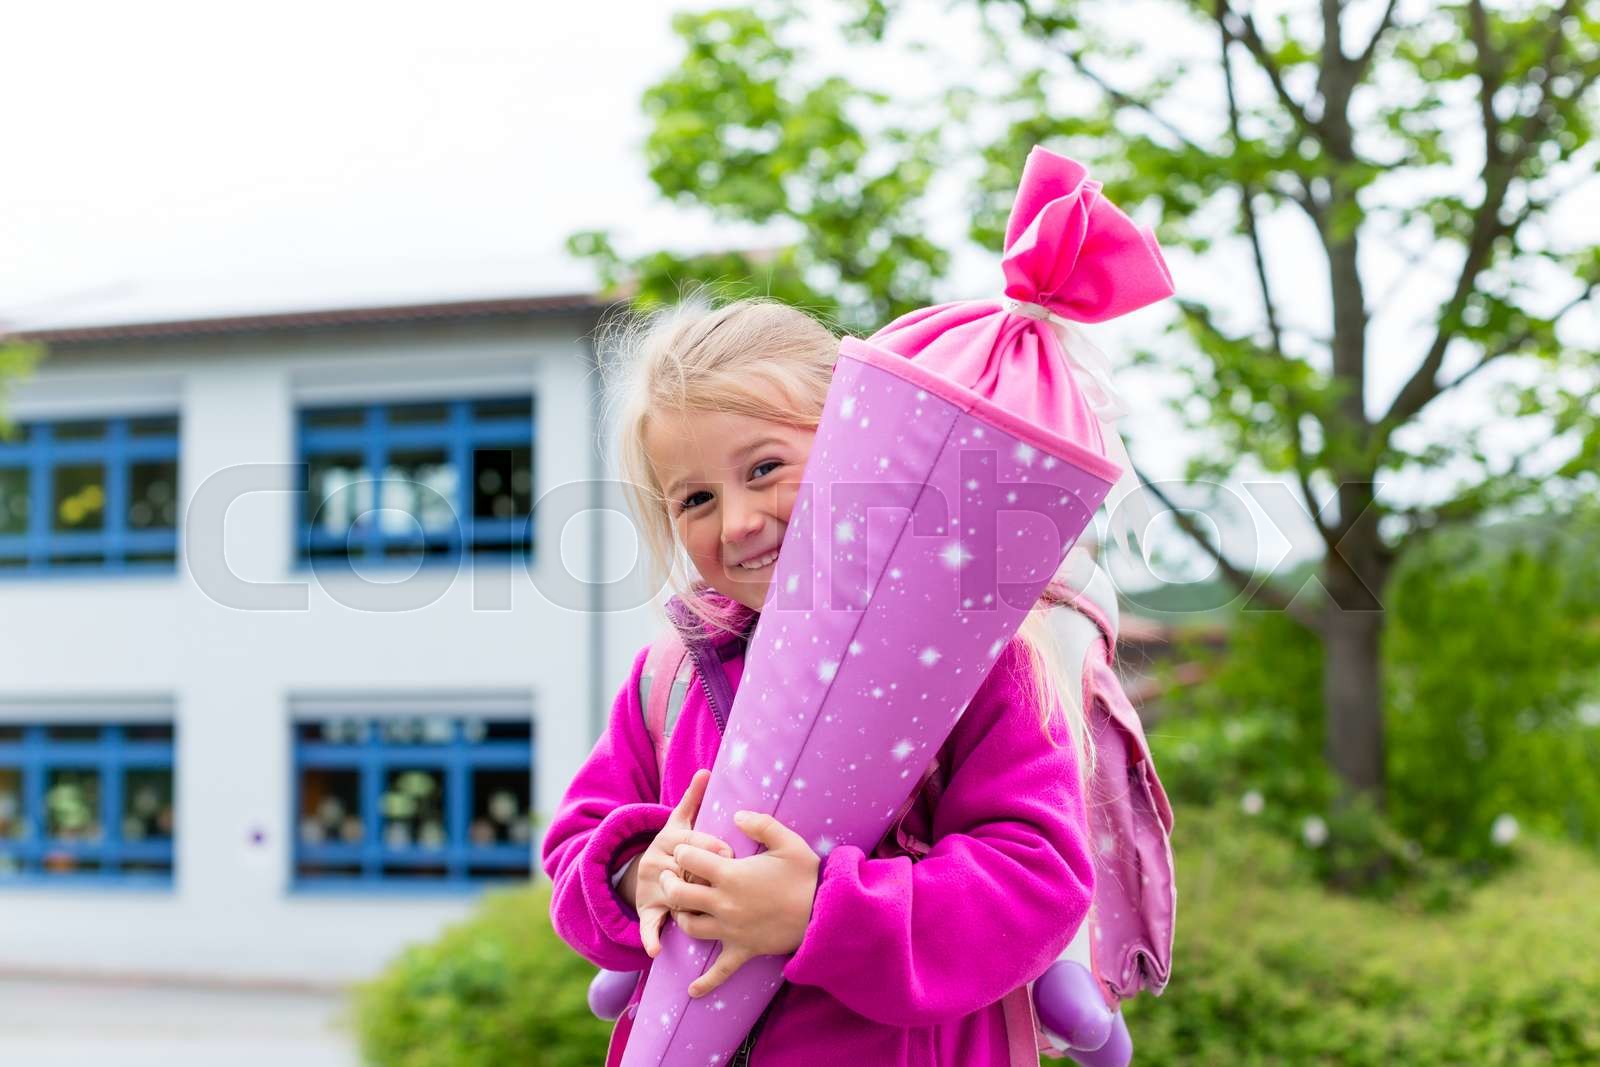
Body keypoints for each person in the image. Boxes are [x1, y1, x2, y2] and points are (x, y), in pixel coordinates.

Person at [541, 296, 1097, 1066]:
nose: (735, 522)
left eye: (764, 468)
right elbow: (573, 845)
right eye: (695, 498)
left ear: (854, 450)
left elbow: (1035, 879)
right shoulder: (668, 674)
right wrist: (639, 873)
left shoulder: (976, 656)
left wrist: (821, 913)